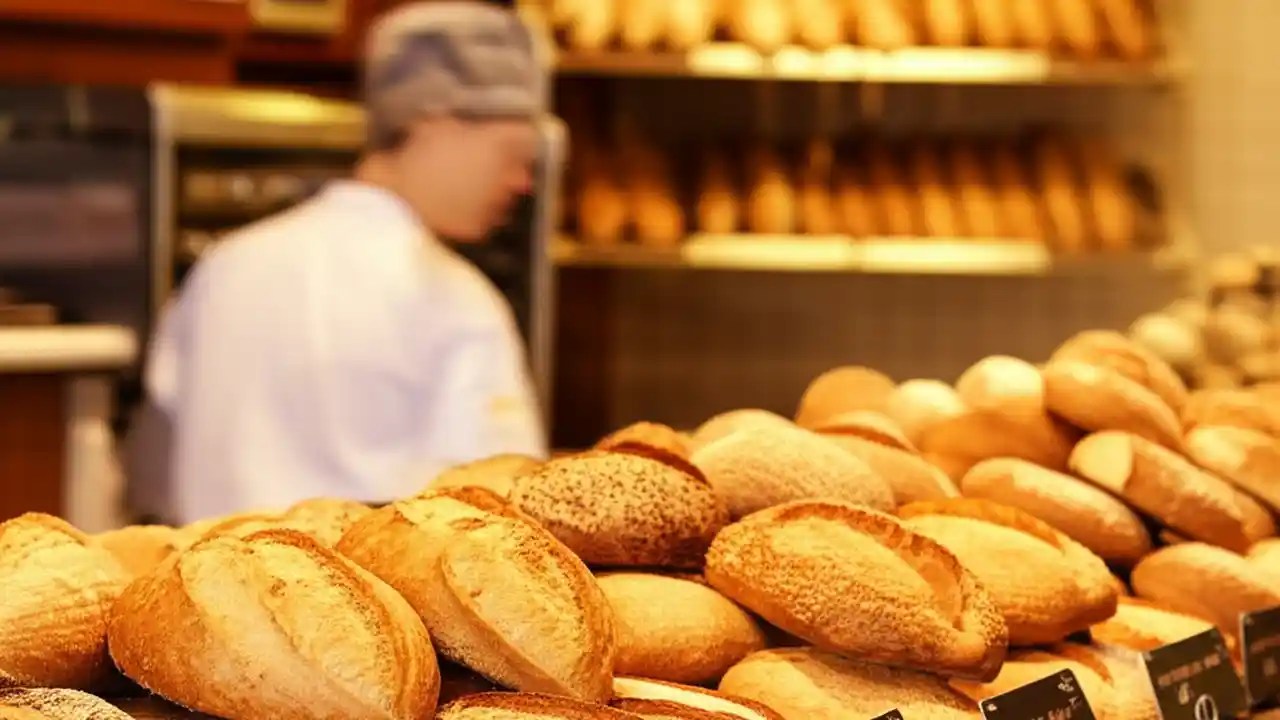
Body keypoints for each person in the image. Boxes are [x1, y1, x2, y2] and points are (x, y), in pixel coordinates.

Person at [130, 1, 549, 523]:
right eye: (513, 157)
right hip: (359, 600)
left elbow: (151, 473)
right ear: (435, 123)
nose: (522, 184)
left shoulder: (227, 265)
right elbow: (502, 509)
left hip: (208, 585)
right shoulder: (457, 300)